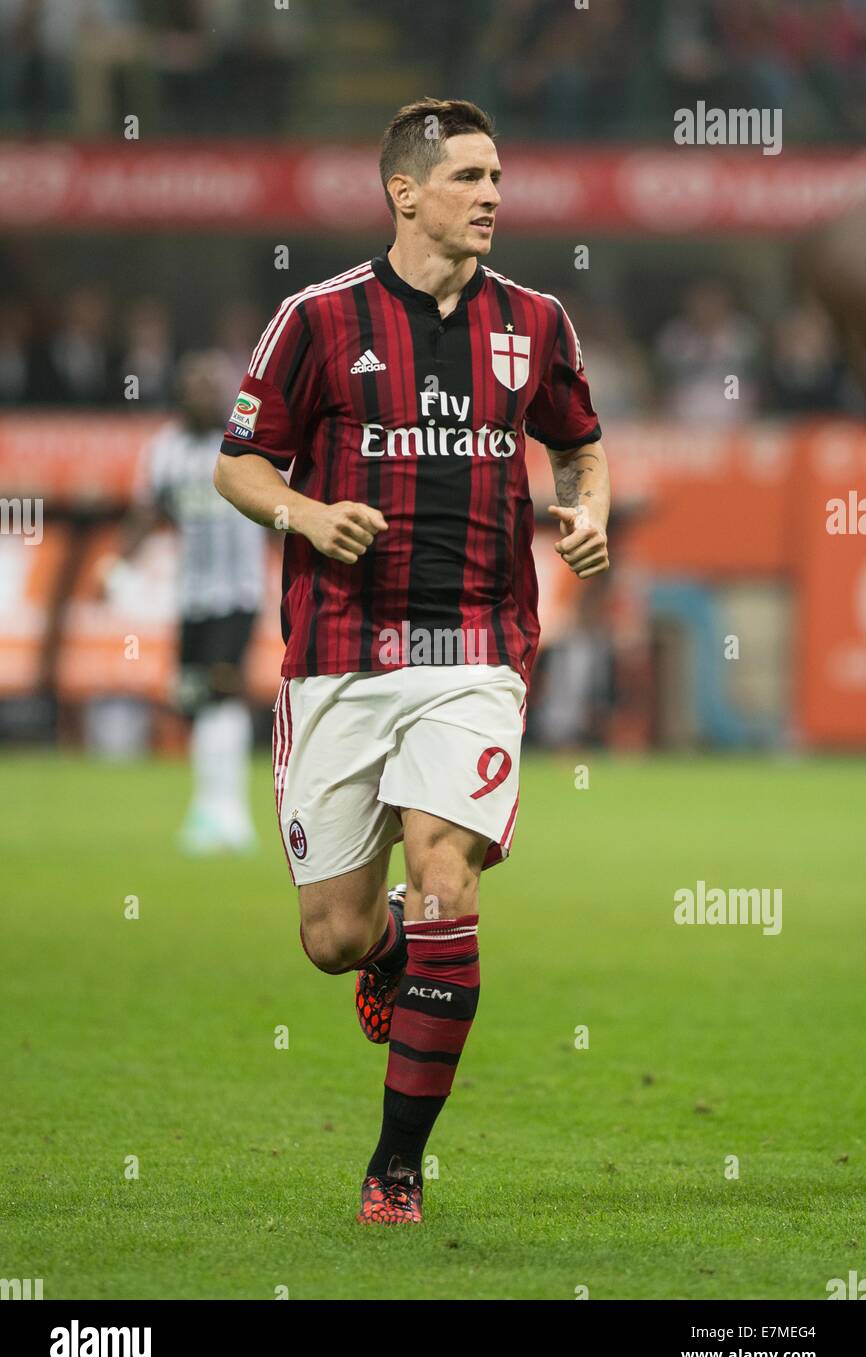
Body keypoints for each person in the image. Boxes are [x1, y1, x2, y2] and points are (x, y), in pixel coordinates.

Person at [214, 98, 611, 1224]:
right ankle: (387, 945)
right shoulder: (315, 318)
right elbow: (238, 462)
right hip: (341, 652)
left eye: (498, 178)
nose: (492, 196)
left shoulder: (535, 321)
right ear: (405, 192)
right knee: (332, 938)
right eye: (469, 178)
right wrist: (304, 512)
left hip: (476, 647)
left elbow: (581, 447)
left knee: (447, 878)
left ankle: (394, 1169)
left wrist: (587, 513)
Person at [102, 349, 265, 853]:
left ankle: (232, 813)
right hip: (190, 596)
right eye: (194, 386)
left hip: (238, 592)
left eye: (211, 386)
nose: (203, 395)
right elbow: (148, 512)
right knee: (193, 699)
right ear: (181, 394)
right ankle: (207, 806)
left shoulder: (247, 444)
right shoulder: (165, 450)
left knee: (223, 686)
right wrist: (117, 565)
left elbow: (278, 507)